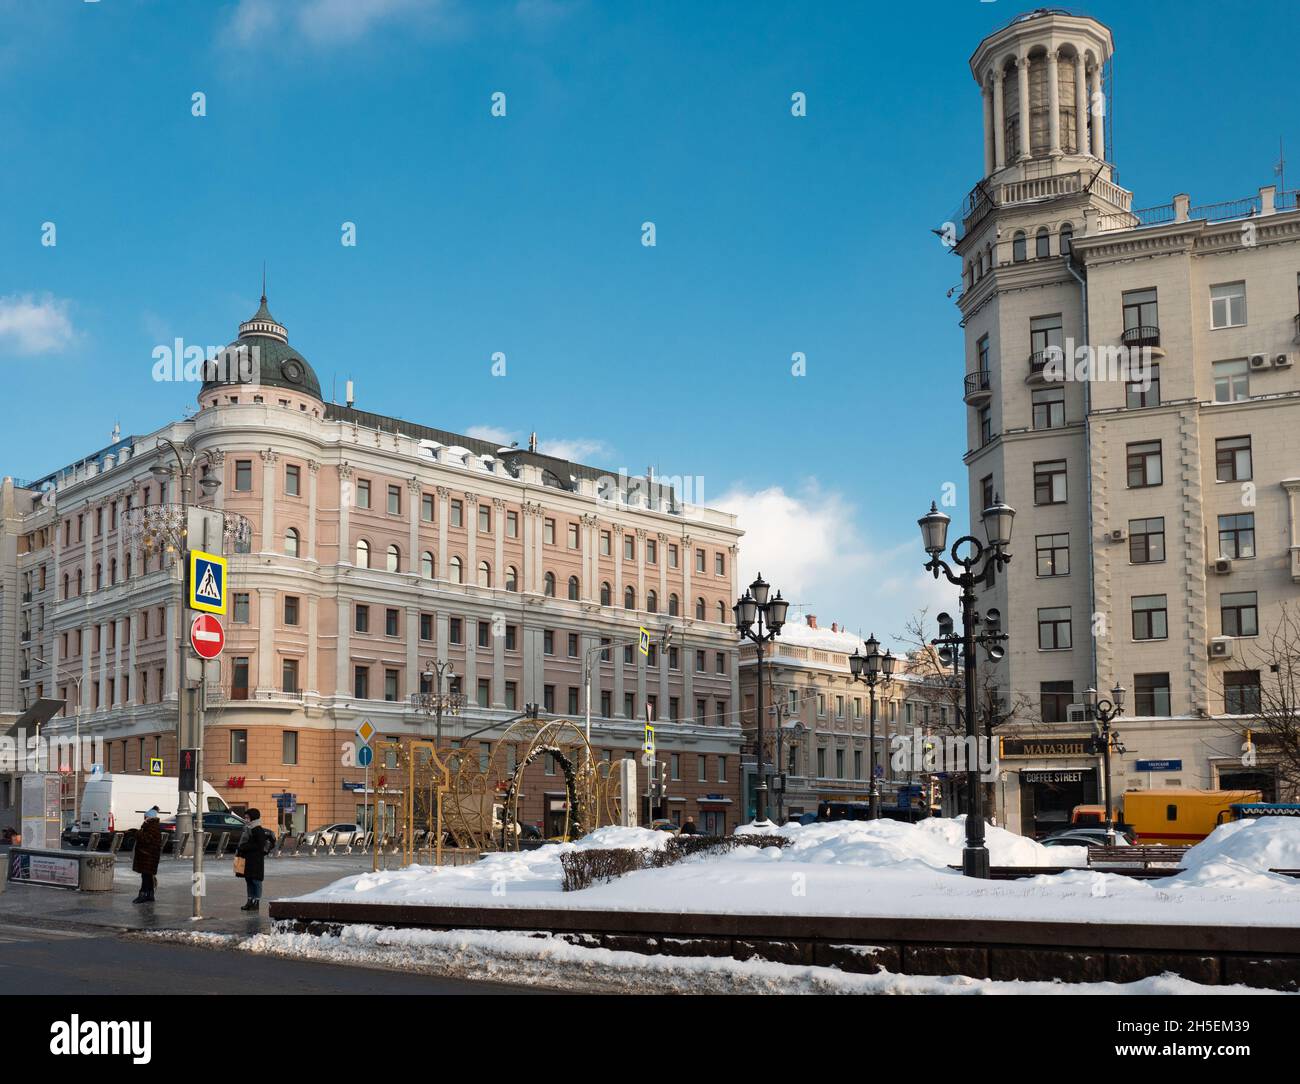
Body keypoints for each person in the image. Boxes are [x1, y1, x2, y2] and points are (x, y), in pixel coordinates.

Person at [235, 807, 274, 911]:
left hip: (256, 860)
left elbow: (259, 845)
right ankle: (249, 901)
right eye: (245, 818)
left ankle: (256, 902)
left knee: (256, 881)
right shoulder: (248, 829)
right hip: (248, 859)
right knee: (249, 881)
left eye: (248, 818)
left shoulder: (258, 829)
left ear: (253, 818)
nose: (246, 820)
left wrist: (244, 847)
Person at [132, 807, 162, 904]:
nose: (144, 818)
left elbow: (147, 839)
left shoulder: (152, 826)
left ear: (149, 817)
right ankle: (150, 894)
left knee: (146, 877)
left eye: (145, 816)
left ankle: (143, 895)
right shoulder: (150, 825)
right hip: (148, 856)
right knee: (147, 876)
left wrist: (137, 834)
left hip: (148, 856)